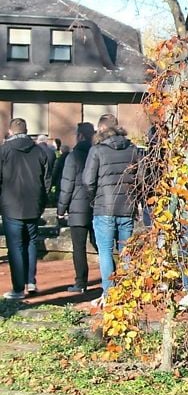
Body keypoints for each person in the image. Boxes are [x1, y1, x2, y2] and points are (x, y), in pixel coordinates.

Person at [83, 114, 141, 306]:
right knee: (126, 251)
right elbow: (141, 179)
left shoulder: (97, 150)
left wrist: (94, 199)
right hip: (127, 206)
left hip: (104, 207)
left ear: (101, 129)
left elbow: (88, 181)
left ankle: (109, 294)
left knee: (105, 252)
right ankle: (127, 293)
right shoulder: (133, 149)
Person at [0, 118, 50, 299]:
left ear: (10, 131)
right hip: (33, 204)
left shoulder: (4, 150)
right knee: (31, 243)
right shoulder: (39, 151)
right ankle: (30, 281)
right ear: (27, 130)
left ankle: (18, 288)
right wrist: (42, 201)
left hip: (11, 204)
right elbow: (46, 180)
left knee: (16, 246)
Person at [57, 122, 97, 294]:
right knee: (101, 246)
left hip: (77, 207)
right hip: (96, 206)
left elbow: (67, 185)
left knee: (79, 248)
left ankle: (81, 283)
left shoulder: (73, 157)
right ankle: (113, 278)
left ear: (80, 136)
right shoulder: (97, 152)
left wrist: (61, 210)